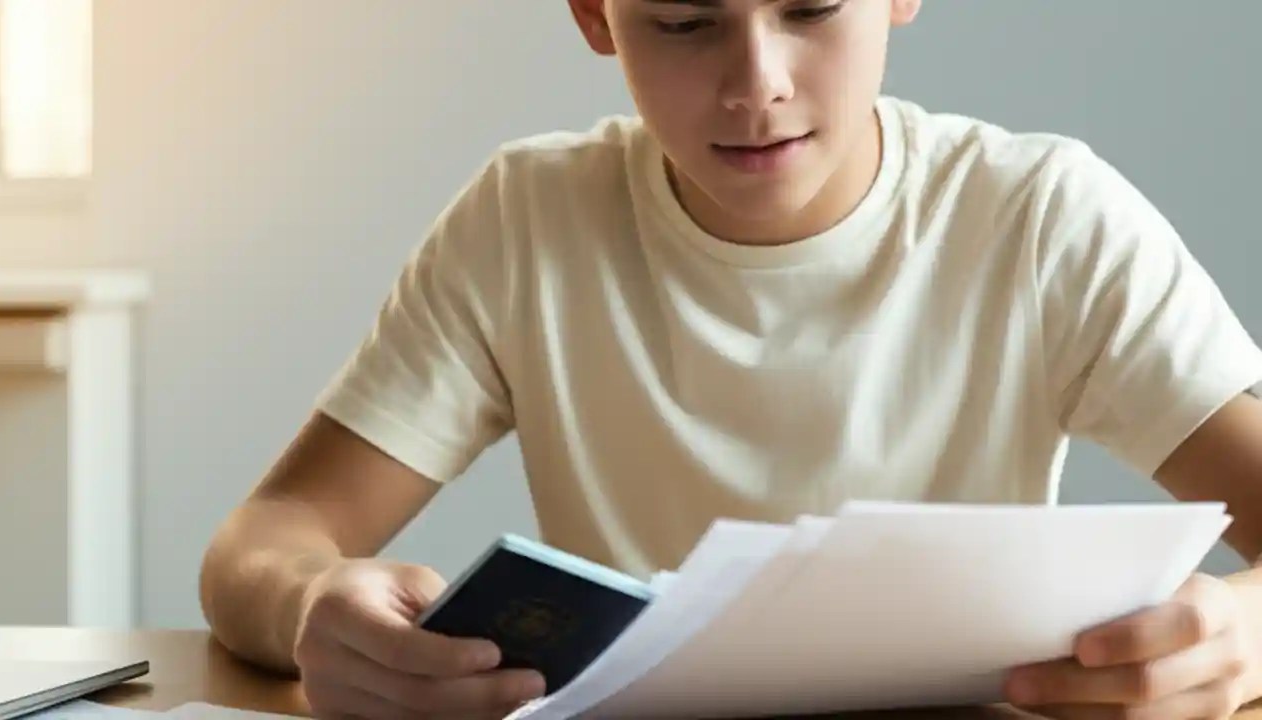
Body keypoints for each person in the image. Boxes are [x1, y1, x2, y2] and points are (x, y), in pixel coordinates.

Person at [199, 1, 1262, 718]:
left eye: (807, 7)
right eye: (683, 19)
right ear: (591, 13)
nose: (756, 82)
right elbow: (267, 540)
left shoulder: (1038, 218)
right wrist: (308, 611)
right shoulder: (525, 223)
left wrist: (1241, 632)